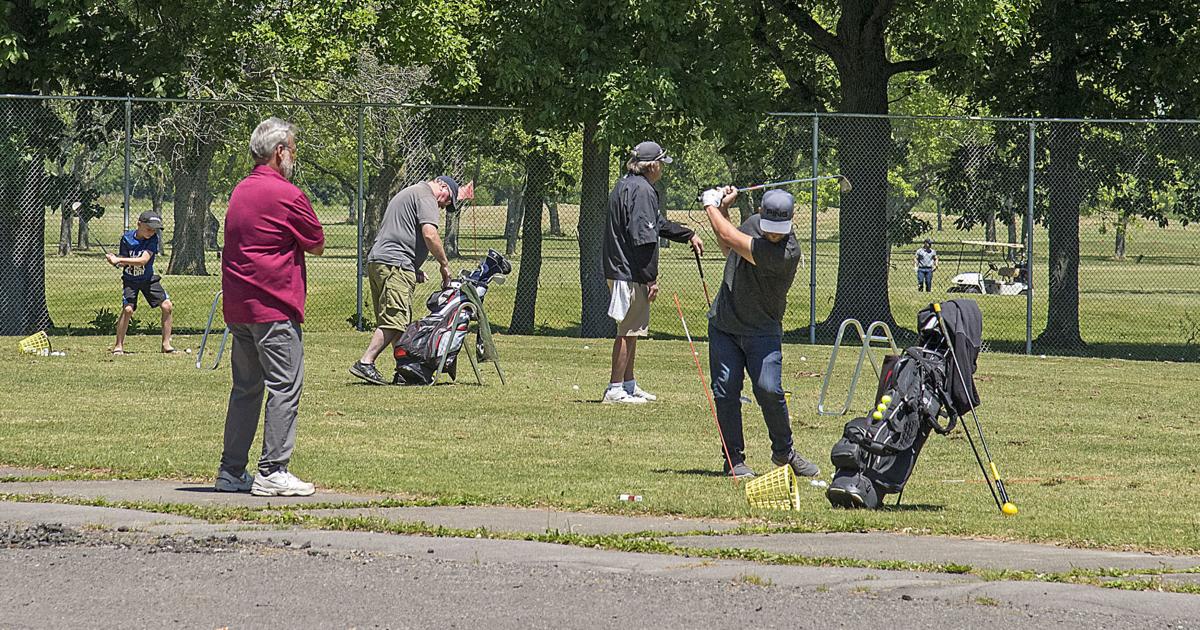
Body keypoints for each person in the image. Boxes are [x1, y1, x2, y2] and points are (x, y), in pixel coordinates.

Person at [215, 117, 325, 497]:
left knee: (245, 388)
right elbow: (316, 242)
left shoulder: (240, 190)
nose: (294, 156)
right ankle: (273, 470)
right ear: (279, 152)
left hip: (240, 307)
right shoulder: (287, 194)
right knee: (284, 386)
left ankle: (231, 471)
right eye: (293, 150)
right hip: (275, 306)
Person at [698, 186, 819, 480]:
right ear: (762, 214)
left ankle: (784, 452)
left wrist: (710, 206)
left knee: (768, 389)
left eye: (780, 230)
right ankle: (734, 461)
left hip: (763, 330)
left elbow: (729, 237)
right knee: (725, 391)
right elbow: (730, 248)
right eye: (770, 228)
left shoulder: (788, 252)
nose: (774, 234)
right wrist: (725, 210)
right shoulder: (753, 224)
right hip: (725, 325)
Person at [601, 141, 703, 404]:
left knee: (633, 329)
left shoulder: (624, 185)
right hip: (629, 270)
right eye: (661, 165)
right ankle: (615, 389)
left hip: (621, 267)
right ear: (653, 165)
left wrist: (687, 234)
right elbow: (643, 238)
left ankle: (629, 384)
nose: (662, 171)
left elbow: (656, 224)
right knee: (626, 330)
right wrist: (650, 278)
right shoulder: (643, 190)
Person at [349, 175, 463, 385]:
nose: (444, 205)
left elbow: (400, 231)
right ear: (443, 186)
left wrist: (413, 268)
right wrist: (444, 265)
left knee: (396, 322)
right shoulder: (425, 196)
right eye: (448, 200)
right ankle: (366, 362)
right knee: (396, 320)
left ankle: (405, 370)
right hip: (395, 263)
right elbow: (430, 234)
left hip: (382, 261)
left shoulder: (410, 193)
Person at [107, 211, 174, 355]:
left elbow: (143, 260)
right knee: (128, 310)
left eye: (154, 229)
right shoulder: (126, 239)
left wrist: (119, 260)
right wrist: (115, 261)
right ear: (139, 224)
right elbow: (124, 261)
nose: (151, 232)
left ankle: (166, 344)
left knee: (167, 306)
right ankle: (118, 345)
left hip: (148, 280)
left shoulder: (152, 239)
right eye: (148, 228)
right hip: (130, 281)